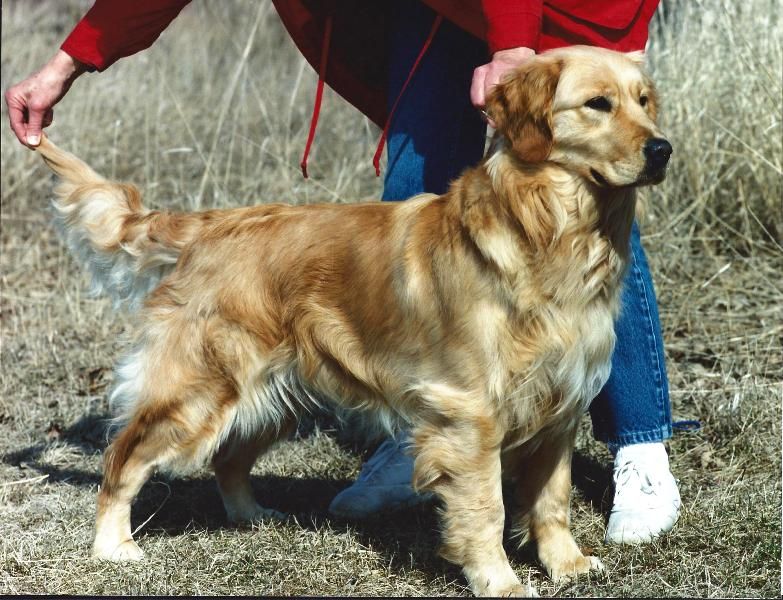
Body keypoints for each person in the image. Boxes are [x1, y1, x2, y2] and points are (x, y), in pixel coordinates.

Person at [5, 0, 680, 546]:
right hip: (445, 13)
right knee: (416, 183)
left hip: (571, 13)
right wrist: (68, 62)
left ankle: (640, 450)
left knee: (601, 201)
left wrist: (510, 42)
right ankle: (421, 425)